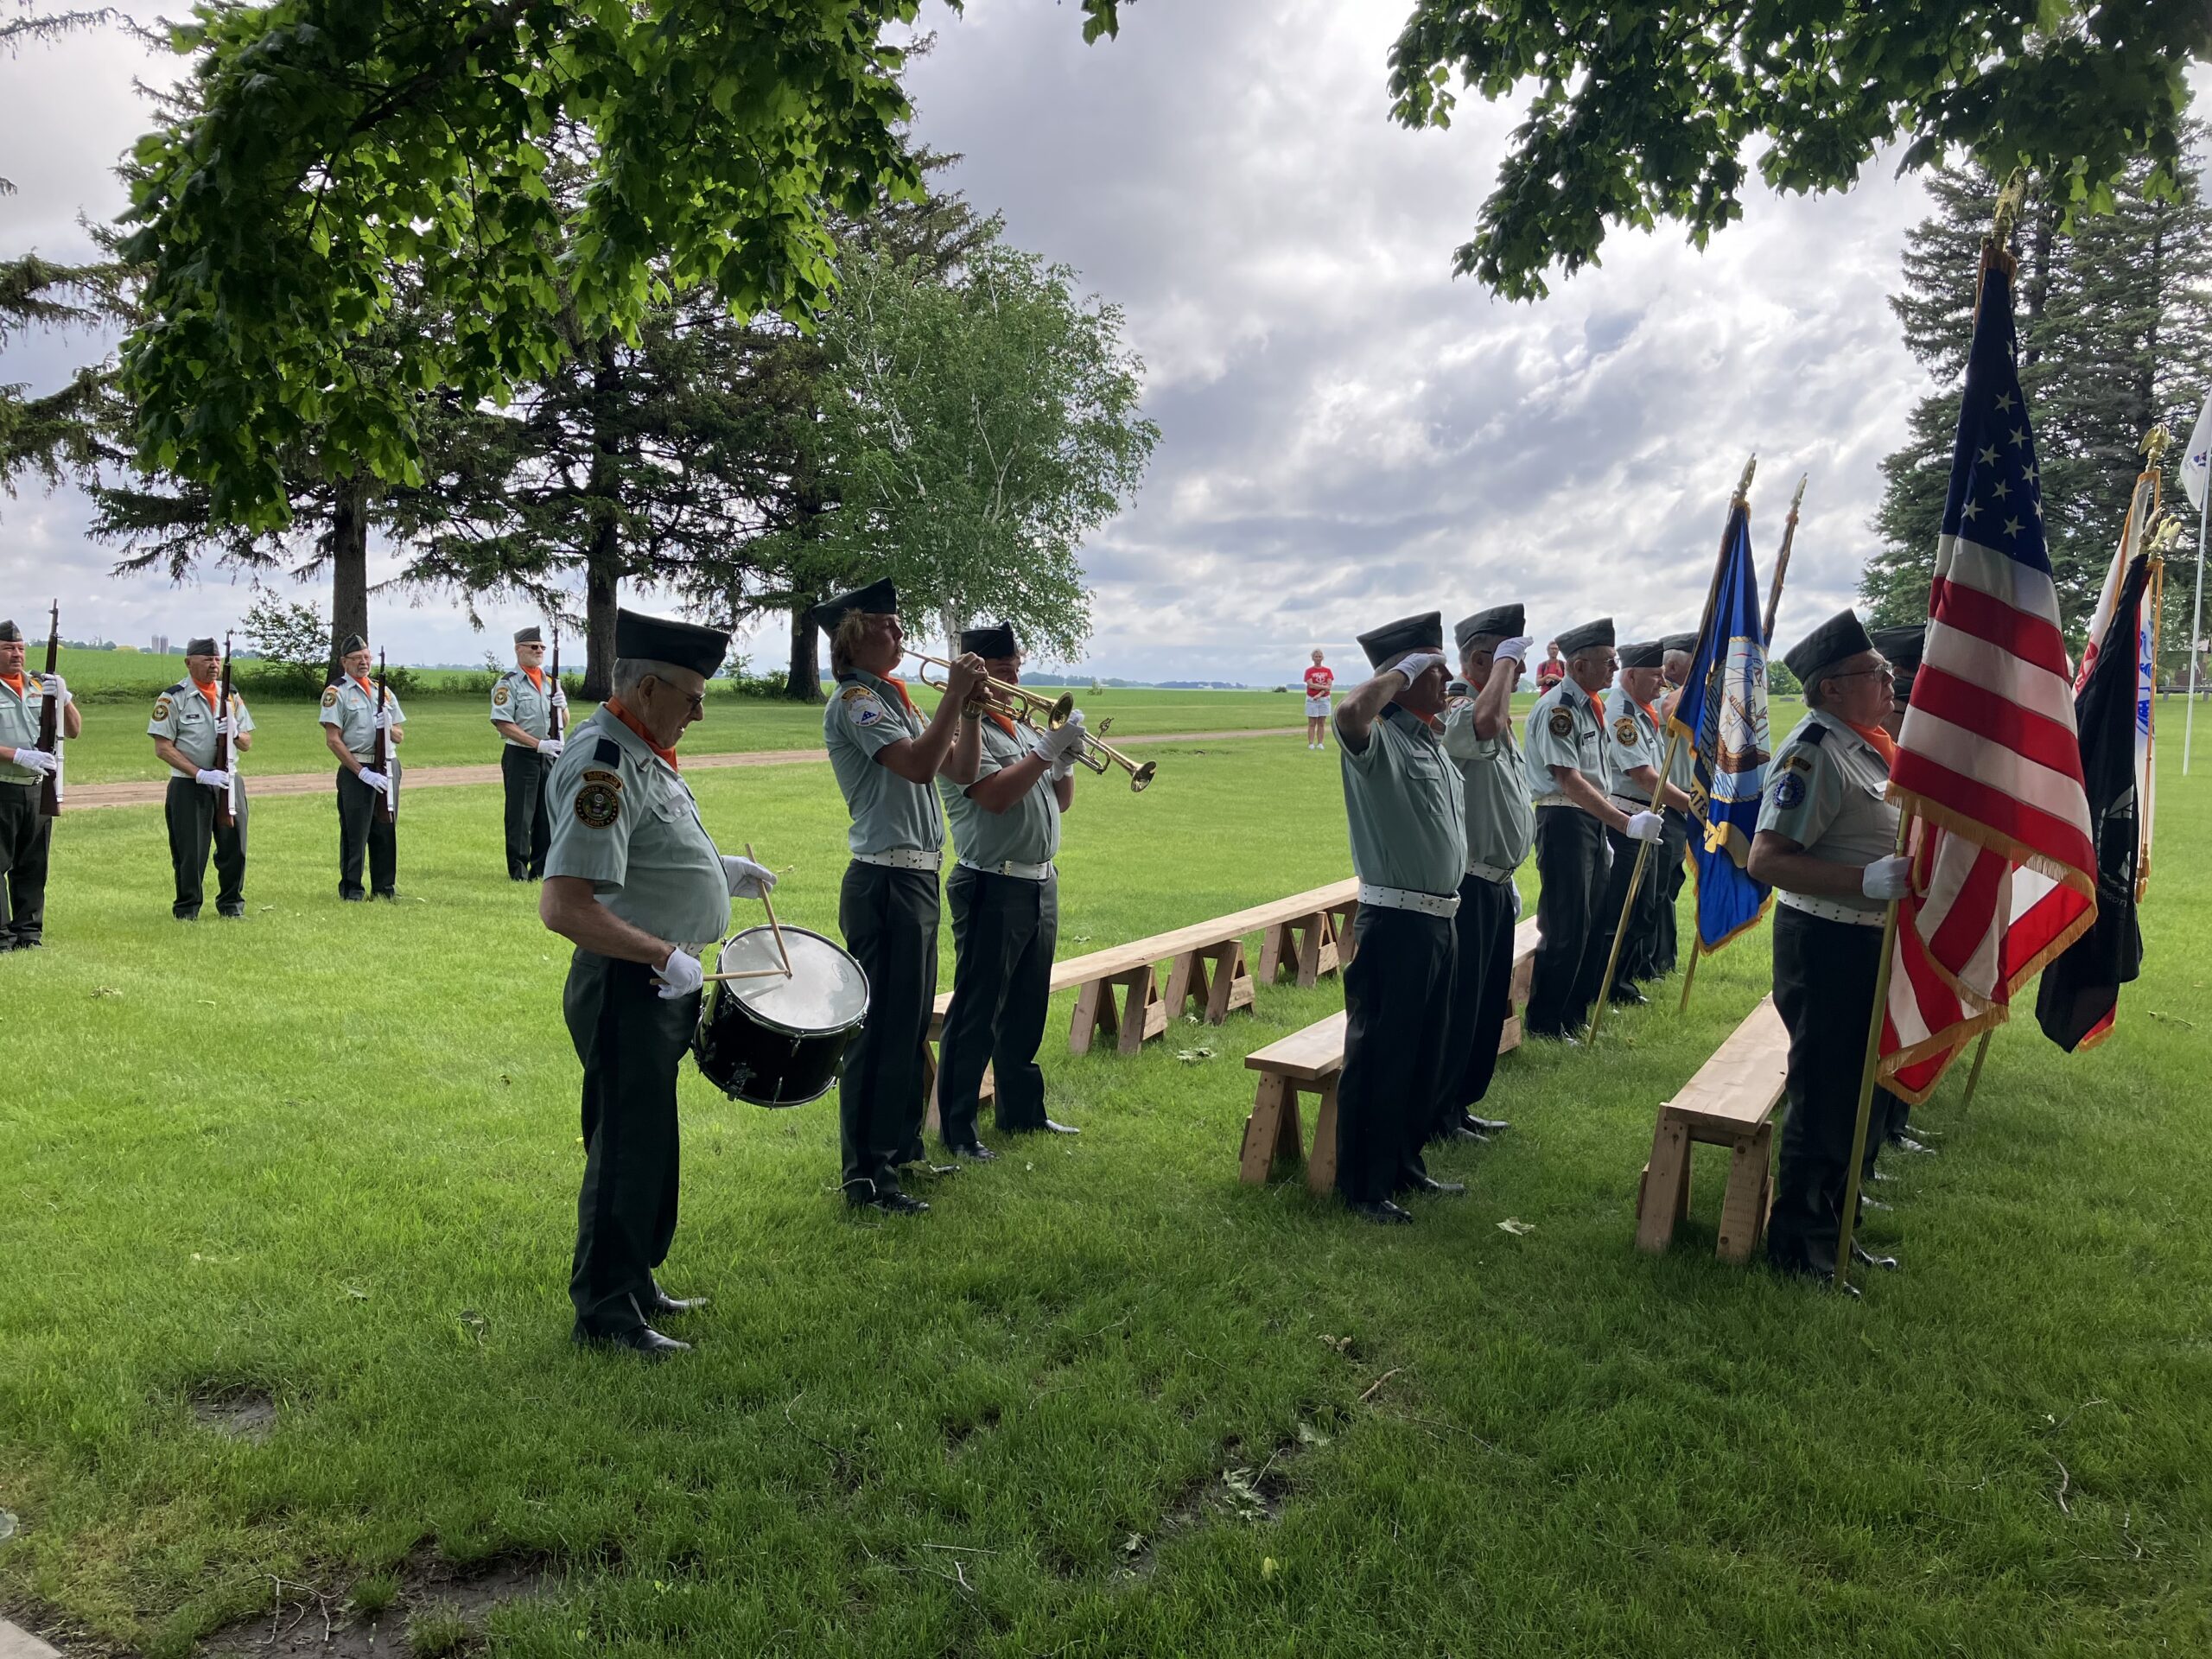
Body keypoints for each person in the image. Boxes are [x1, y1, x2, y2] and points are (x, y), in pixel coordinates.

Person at [538, 607, 775, 1358]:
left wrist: (718, 874)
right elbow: (565, 906)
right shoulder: (605, 763)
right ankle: (605, 1314)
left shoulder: (643, 751)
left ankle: (634, 1280)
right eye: (692, 697)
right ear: (647, 688)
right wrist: (662, 955)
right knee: (625, 1147)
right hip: (627, 984)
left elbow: (645, 853)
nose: (700, 713)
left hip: (655, 984)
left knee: (648, 1140)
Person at [1748, 610, 1910, 1290]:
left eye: (1887, 671)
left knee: (1857, 1093)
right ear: (1832, 687)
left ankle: (1838, 1229)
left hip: (1867, 940)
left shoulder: (1867, 746)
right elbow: (1766, 859)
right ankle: (1800, 1250)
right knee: (1824, 1097)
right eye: (1876, 673)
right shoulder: (1814, 750)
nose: (1890, 681)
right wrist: (1863, 881)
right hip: (1827, 943)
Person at [817, 579, 988, 1215]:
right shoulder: (857, 700)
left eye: (898, 623)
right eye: (886, 625)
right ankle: (866, 1175)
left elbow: (960, 771)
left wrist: (970, 712)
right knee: (883, 1030)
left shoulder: (895, 697)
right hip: (885, 881)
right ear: (852, 636)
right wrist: (955, 697)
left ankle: (900, 1150)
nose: (900, 633)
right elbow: (916, 766)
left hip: (914, 878)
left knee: (911, 1026)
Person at [1332, 611, 1468, 1224]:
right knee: (1382, 1057)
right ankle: (1364, 1187)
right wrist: (1401, 672)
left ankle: (1404, 1166)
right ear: (1401, 676)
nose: (1445, 678)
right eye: (1432, 669)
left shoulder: (1429, 741)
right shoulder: (1378, 738)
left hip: (1440, 920)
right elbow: (1348, 714)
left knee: (1423, 1055)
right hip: (1396, 923)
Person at [935, 621, 1090, 1161]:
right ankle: (957, 1129)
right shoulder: (961, 733)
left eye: (1016, 671)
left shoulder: (1020, 728)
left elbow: (1059, 801)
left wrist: (1063, 761)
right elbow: (995, 797)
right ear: (973, 674)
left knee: (1027, 1006)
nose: (1013, 682)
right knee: (977, 1011)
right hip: (992, 881)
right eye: (1002, 672)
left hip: (1039, 882)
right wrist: (1047, 751)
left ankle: (1022, 1111)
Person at [1522, 618, 1662, 1039]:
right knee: (1567, 925)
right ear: (1579, 665)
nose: (1615, 668)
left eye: (1615, 661)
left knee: (1594, 920)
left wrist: (1607, 825)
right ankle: (1547, 1022)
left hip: (1589, 820)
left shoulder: (1590, 706)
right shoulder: (1560, 709)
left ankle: (1574, 1014)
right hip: (1565, 819)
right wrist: (1624, 823)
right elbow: (1569, 779)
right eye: (1607, 661)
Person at [1433, 605, 1535, 1146]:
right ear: (1479, 661)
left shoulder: (1495, 710)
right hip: (1468, 884)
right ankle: (1439, 1112)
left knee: (1486, 1003)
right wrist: (1501, 667)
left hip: (1494, 882)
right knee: (1461, 1004)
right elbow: (1482, 726)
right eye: (1511, 662)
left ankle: (1461, 1103)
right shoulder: (1460, 707)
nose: (1520, 673)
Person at [1583, 640, 1694, 1004]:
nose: (1663, 682)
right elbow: (1644, 776)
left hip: (1648, 817)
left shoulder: (1641, 710)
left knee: (1644, 910)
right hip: (1627, 819)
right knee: (1621, 911)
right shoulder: (1622, 714)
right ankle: (1603, 987)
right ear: (1631, 676)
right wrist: (1695, 807)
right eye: (1655, 675)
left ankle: (1621, 983)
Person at [1869, 621, 1936, 1161]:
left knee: (1909, 1007)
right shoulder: (1866, 747)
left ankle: (1893, 1121)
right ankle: (1875, 1133)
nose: (1903, 716)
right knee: (1883, 1017)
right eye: (1900, 701)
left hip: (1912, 892)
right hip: (1871, 904)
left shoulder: (1903, 744)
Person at [149, 637, 255, 921]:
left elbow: (247, 742)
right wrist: (200, 774)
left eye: (217, 660)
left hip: (229, 780)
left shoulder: (230, 695)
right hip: (189, 784)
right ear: (188, 662)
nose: (214, 665)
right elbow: (162, 747)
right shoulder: (173, 698)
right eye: (207, 659)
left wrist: (235, 732)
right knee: (191, 851)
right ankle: (187, 909)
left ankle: (231, 905)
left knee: (235, 847)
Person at [0, 618, 79, 950]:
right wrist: (18, 755)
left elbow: (74, 730)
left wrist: (64, 697)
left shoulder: (37, 684)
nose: (17, 654)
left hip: (36, 787)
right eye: (8, 648)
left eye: (20, 648)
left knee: (33, 865)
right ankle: (2, 937)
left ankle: (28, 935)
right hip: (3, 784)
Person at [320, 633, 406, 901]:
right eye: (357, 658)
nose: (363, 663)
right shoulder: (337, 692)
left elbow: (400, 735)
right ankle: (352, 889)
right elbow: (333, 740)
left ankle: (384, 889)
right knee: (355, 832)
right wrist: (361, 772)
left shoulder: (383, 690)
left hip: (387, 765)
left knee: (386, 826)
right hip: (357, 766)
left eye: (367, 657)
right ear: (344, 662)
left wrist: (388, 725)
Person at [491, 626, 568, 881]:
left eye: (542, 647)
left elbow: (564, 722)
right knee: (520, 815)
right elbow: (503, 723)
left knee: (547, 813)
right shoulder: (508, 683)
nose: (539, 651)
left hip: (550, 754)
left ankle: (542, 868)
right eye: (534, 646)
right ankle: (518, 871)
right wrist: (537, 744)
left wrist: (562, 707)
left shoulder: (551, 682)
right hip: (521, 754)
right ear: (519, 649)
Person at [1650, 631, 1700, 976]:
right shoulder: (1663, 698)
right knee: (1659, 884)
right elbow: (1672, 711)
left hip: (1687, 800)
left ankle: (1663, 959)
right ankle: (1654, 960)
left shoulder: (1693, 696)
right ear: (1670, 667)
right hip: (1666, 800)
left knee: (1671, 881)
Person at [1303, 650, 1335, 749]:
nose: (1318, 658)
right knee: (1312, 722)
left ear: (1322, 658)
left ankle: (1320, 743)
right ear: (1313, 658)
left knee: (1321, 723)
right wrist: (1323, 687)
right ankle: (1311, 744)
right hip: (1312, 699)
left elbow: (1329, 686)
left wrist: (1320, 693)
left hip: (1324, 699)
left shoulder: (1327, 671)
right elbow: (1310, 684)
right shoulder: (1309, 671)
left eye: (1319, 656)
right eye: (1316, 657)